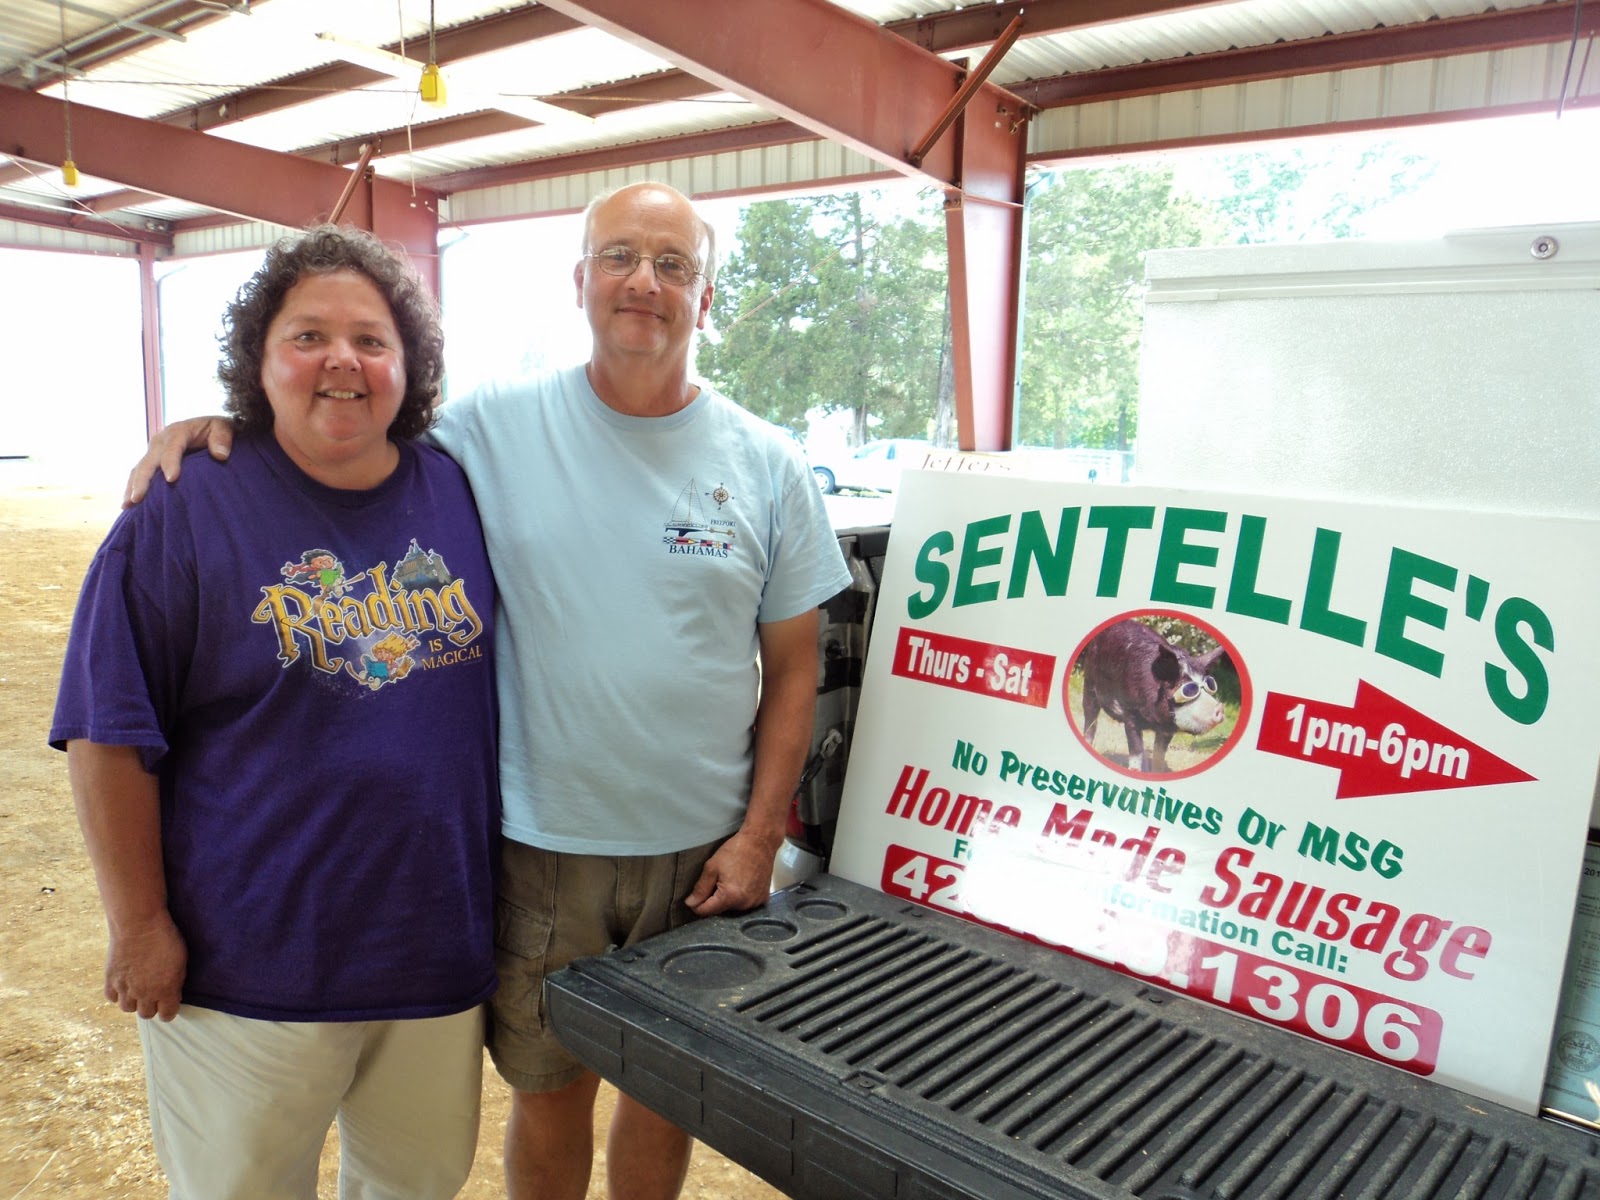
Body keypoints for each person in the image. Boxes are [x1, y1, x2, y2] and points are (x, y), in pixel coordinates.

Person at [126, 181, 854, 1200]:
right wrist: (227, 428)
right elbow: (342, 422)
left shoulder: (768, 465)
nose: (644, 281)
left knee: (667, 1099)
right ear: (579, 281)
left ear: (707, 295)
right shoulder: (488, 430)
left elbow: (793, 671)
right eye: (619, 256)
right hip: (540, 841)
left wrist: (757, 836)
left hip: (702, 850)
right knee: (547, 1093)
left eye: (673, 263)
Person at [58, 225, 500, 1199]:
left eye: (371, 340)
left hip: (432, 957)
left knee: (417, 1188)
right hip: (250, 970)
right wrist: (139, 927)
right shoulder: (181, 506)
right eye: (307, 336)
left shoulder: (460, 489)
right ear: (257, 363)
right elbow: (105, 732)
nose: (342, 359)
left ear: (409, 366)